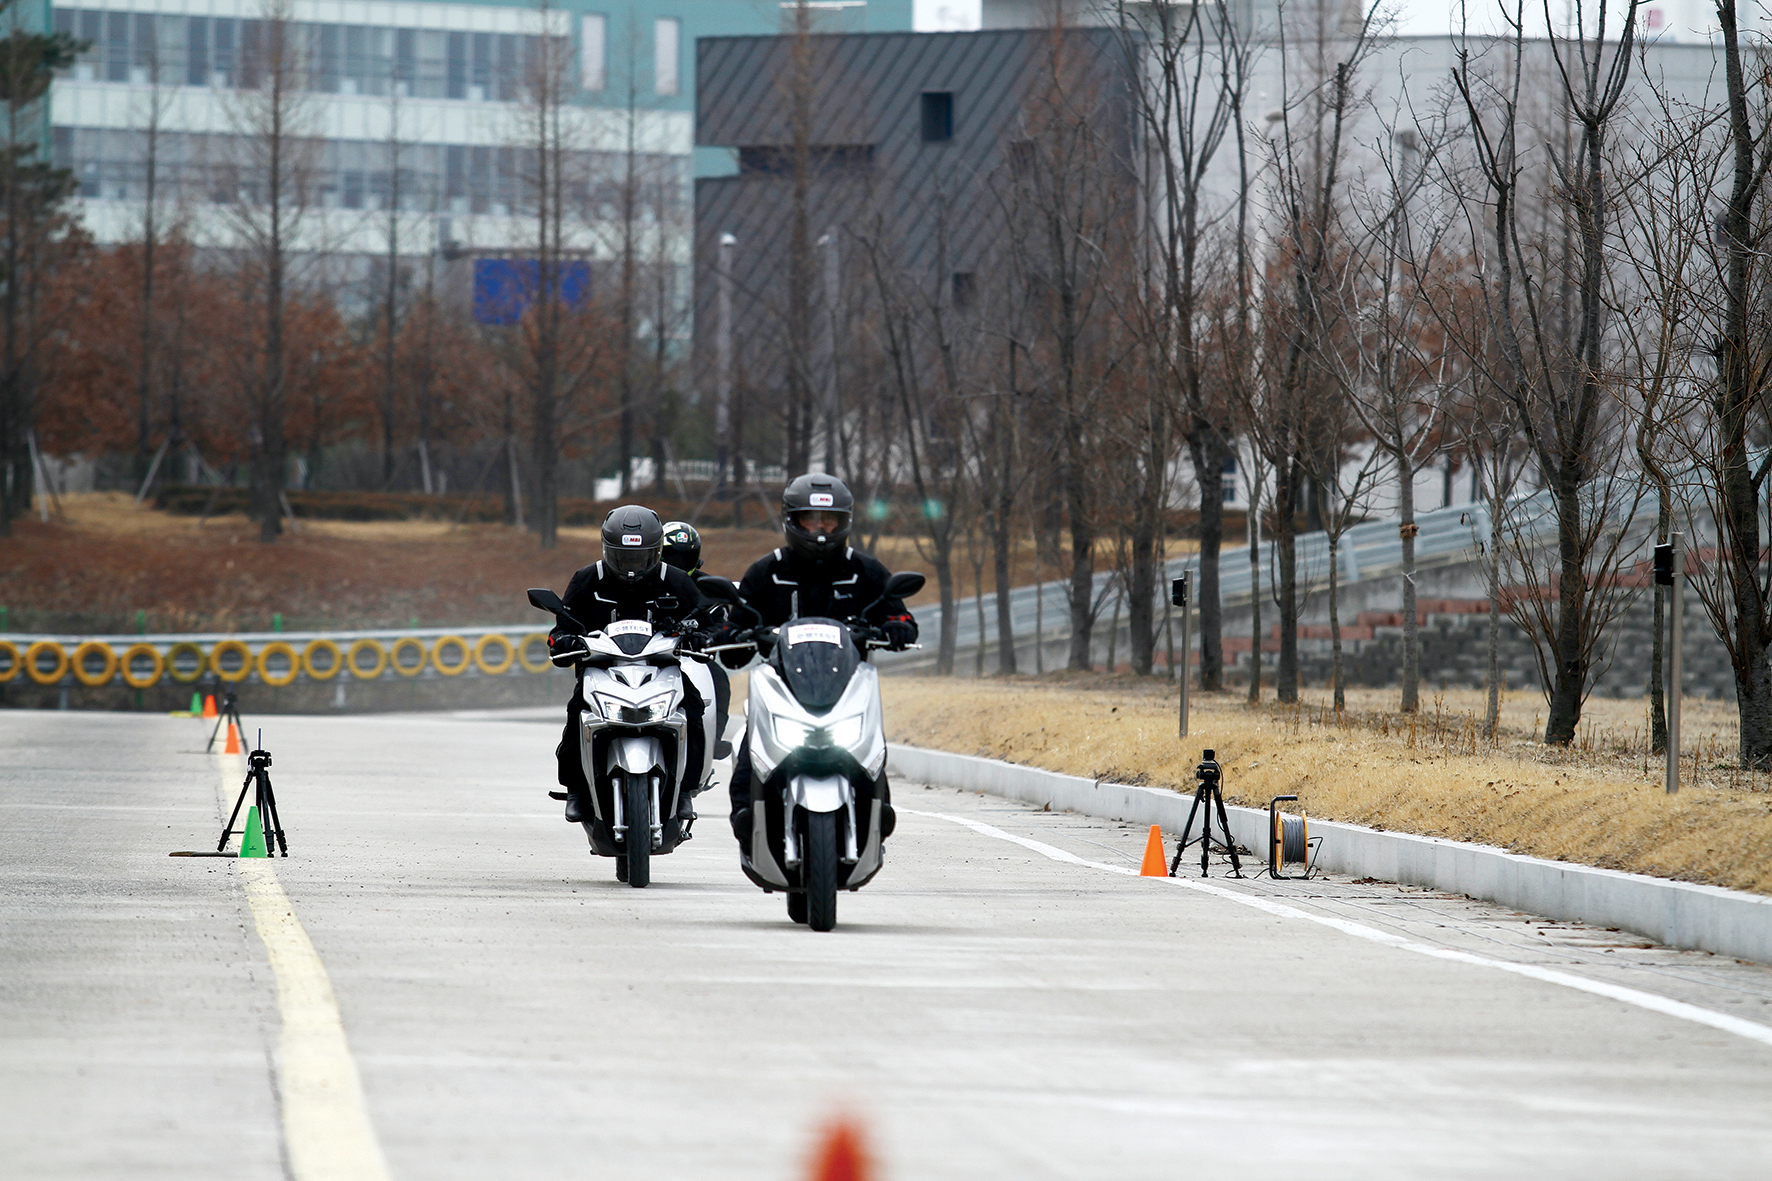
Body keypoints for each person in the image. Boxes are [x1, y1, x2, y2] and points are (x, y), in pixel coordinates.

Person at [722, 474, 918, 845]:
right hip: (781, 688)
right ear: (792, 520)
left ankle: (878, 807)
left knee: (871, 744)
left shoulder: (866, 571)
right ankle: (746, 811)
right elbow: (736, 624)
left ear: (844, 522)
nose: (820, 529)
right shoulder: (766, 572)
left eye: (829, 520)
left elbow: (899, 614)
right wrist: (732, 635)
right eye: (811, 520)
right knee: (751, 741)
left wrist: (898, 626)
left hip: (847, 688)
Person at [547, 506, 712, 824]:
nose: (632, 566)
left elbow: (705, 621)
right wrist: (564, 641)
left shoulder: (676, 581)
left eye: (641, 557)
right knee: (576, 711)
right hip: (600, 670)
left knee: (693, 708)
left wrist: (701, 636)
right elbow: (563, 625)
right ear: (606, 549)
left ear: (657, 552)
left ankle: (685, 789)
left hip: (663, 669)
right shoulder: (587, 579)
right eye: (623, 557)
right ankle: (576, 788)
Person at [660, 519, 733, 758]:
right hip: (644, 655)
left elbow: (722, 626)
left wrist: (706, 637)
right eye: (671, 557)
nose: (678, 564)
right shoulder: (643, 583)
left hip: (691, 657)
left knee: (718, 676)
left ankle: (712, 739)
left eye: (685, 558)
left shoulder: (709, 588)